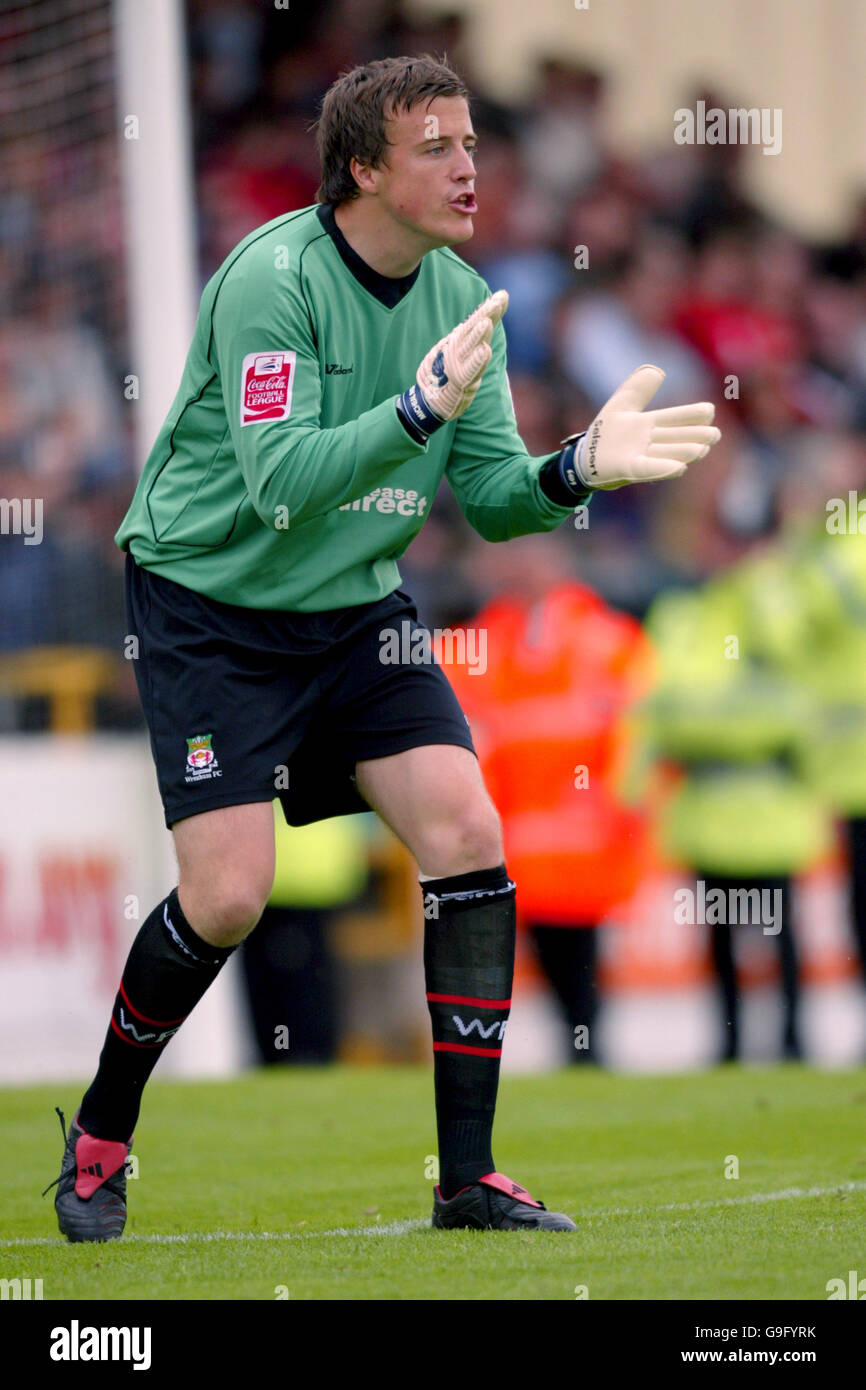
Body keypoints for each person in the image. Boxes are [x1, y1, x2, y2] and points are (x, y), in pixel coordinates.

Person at [44, 54, 721, 1239]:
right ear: (362, 167)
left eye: (470, 144)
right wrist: (410, 407)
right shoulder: (273, 279)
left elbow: (495, 497)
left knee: (465, 830)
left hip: (356, 606)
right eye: (436, 148)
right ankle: (101, 1135)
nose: (470, 167)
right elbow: (280, 483)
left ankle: (467, 1177)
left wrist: (574, 470)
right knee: (229, 898)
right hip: (210, 607)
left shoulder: (465, 297)